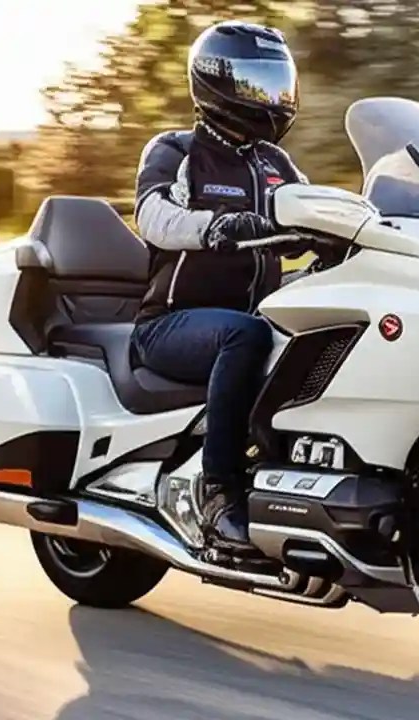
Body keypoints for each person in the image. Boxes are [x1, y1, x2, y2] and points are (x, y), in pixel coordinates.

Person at [130, 20, 307, 550]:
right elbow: (152, 216)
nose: (274, 98)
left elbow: (317, 211)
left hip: (253, 317)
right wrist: (216, 226)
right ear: (218, 85)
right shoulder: (177, 151)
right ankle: (218, 491)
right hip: (168, 325)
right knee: (245, 336)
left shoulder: (275, 163)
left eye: (280, 82)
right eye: (259, 83)